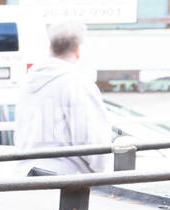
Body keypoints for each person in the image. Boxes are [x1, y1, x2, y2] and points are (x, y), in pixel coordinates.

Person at [16, 20, 112, 174]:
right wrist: (104, 173)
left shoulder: (28, 82)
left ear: (50, 48)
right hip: (67, 182)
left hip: (27, 176)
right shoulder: (77, 83)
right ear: (78, 50)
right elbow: (93, 142)